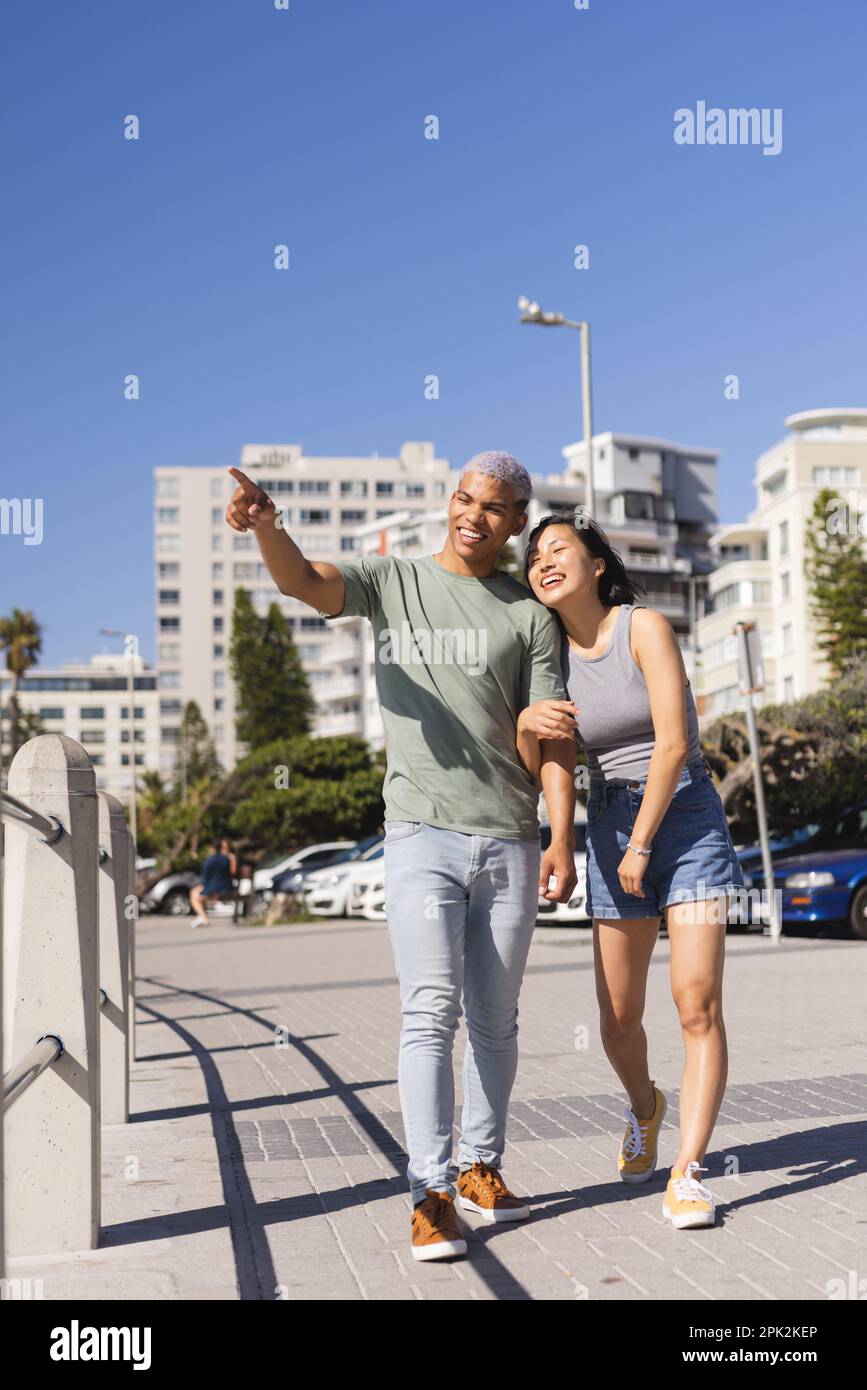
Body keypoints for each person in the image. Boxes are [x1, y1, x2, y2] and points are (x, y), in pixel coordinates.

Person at [226, 451, 577, 1261]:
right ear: (449, 502)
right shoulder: (395, 583)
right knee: (430, 1012)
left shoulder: (528, 615)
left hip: (511, 837)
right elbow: (303, 582)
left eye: (493, 507)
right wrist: (268, 528)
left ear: (516, 521)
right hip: (420, 834)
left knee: (495, 1018)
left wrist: (561, 834)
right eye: (463, 498)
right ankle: (430, 1191)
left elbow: (552, 736)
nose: (473, 515)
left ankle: (483, 1168)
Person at [521, 512, 744, 1231]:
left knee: (694, 1003)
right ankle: (644, 1105)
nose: (543, 562)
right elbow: (549, 763)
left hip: (685, 820)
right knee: (617, 1018)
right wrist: (528, 733)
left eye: (559, 550)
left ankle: (687, 1173)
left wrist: (642, 844)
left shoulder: (641, 626)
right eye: (533, 558)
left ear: (595, 565)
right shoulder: (547, 656)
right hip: (609, 821)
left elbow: (674, 741)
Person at [190, 837, 236, 929]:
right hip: (227, 888)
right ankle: (202, 917)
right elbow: (231, 873)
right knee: (199, 893)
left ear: (212, 849)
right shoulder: (227, 859)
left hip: (214, 890)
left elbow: (204, 877)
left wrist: (202, 886)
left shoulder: (209, 860)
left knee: (194, 895)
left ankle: (204, 918)